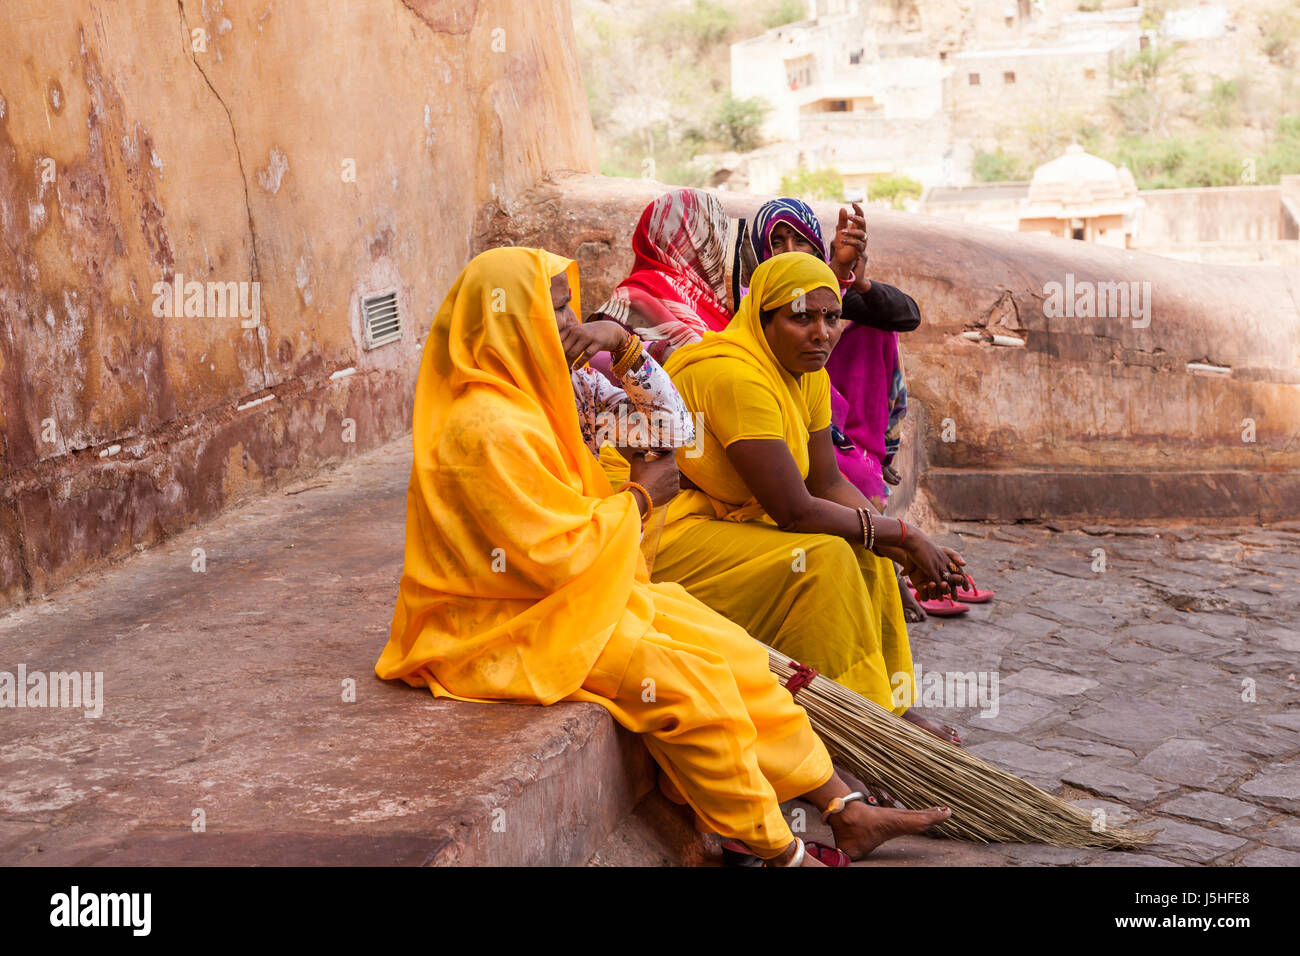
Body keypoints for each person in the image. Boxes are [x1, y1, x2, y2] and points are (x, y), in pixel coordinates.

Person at [375, 246, 951, 866]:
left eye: (572, 309)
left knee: (739, 655)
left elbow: (669, 432)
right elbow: (548, 555)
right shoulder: (485, 426)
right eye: (558, 311)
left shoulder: (553, 389)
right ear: (512, 319)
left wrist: (623, 346)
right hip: (504, 623)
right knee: (691, 684)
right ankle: (782, 851)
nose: (570, 327)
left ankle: (845, 810)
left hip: (577, 596)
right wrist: (640, 502)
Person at [655, 252, 968, 745]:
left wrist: (898, 551)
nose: (821, 333)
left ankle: (886, 705)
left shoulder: (809, 376)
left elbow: (826, 483)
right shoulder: (736, 377)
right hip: (664, 532)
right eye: (801, 317)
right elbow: (796, 511)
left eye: (831, 317)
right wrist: (906, 533)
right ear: (764, 320)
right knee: (824, 558)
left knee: (866, 550)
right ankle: (843, 732)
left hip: (731, 521)